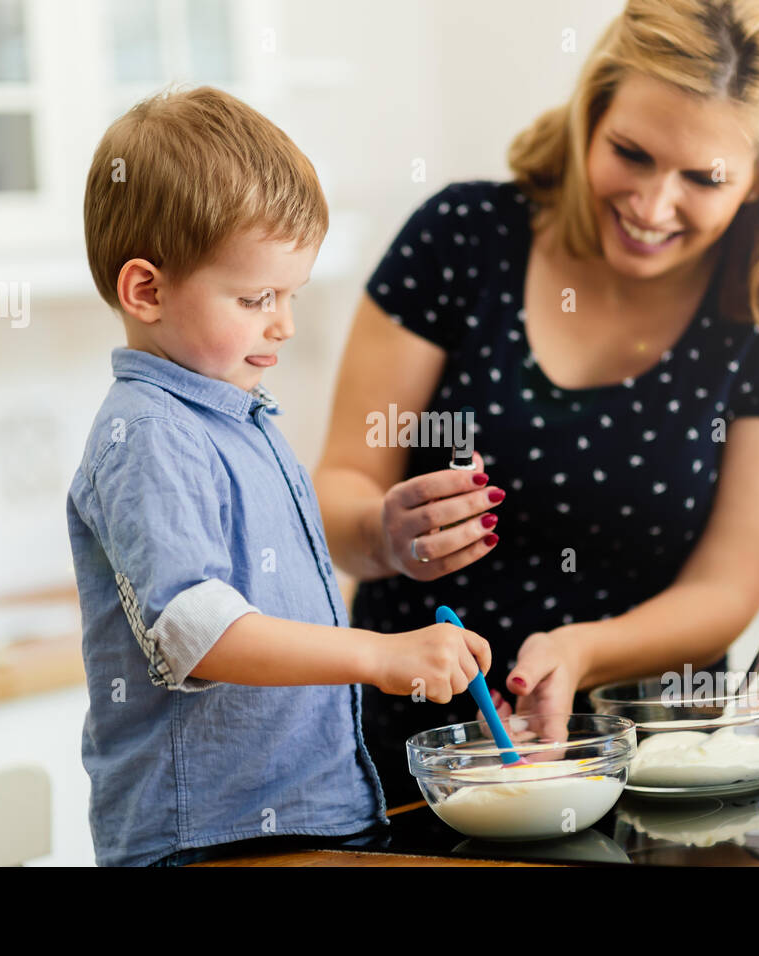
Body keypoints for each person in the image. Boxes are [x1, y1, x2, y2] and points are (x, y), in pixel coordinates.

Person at [314, 0, 759, 806]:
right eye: (631, 154)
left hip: (657, 759)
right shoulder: (461, 239)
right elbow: (339, 486)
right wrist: (381, 535)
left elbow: (726, 590)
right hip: (414, 757)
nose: (651, 204)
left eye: (703, 178)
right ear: (591, 112)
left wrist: (583, 652)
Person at [67, 86, 491, 865]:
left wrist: (384, 539)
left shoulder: (237, 417)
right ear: (146, 291)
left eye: (290, 294)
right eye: (256, 296)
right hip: (212, 840)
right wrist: (382, 653)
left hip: (304, 821)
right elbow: (198, 635)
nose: (284, 324)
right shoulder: (150, 433)